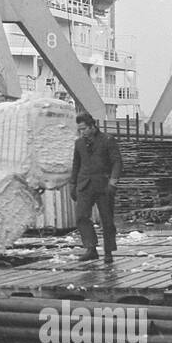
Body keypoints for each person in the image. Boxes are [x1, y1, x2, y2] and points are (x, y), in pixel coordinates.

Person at [68, 111, 122, 264]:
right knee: (81, 217)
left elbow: (117, 162)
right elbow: (76, 165)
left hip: (104, 186)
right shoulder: (79, 143)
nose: (82, 132)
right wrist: (73, 184)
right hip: (84, 185)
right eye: (79, 129)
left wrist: (113, 182)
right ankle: (91, 248)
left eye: (84, 128)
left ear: (92, 126)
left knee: (107, 220)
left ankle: (108, 252)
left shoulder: (107, 140)